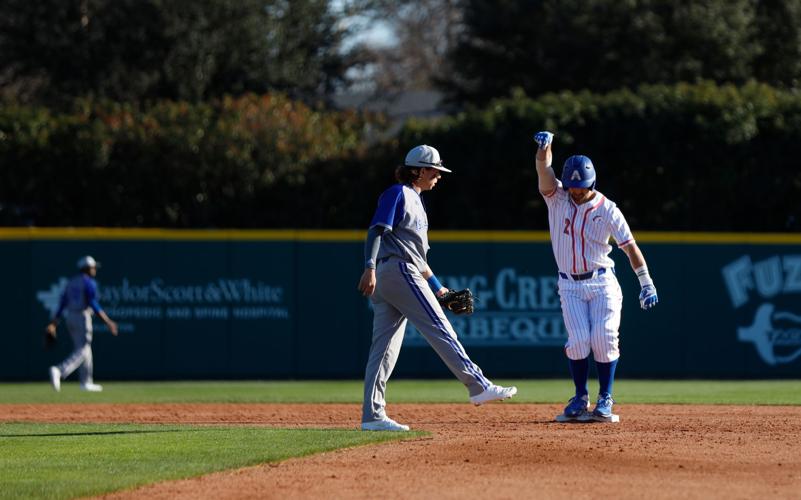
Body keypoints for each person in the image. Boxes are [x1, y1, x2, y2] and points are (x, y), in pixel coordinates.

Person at [357, 144, 517, 431]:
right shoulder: (398, 193)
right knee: (439, 328)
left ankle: (372, 416)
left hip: (398, 271)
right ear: (417, 171)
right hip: (395, 270)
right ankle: (478, 385)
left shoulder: (417, 201)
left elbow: (420, 259)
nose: (438, 175)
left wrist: (439, 289)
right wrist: (369, 267)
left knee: (383, 350)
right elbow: (376, 229)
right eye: (434, 170)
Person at [533, 131, 658, 422]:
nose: (576, 191)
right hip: (569, 284)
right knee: (578, 340)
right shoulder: (557, 198)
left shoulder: (609, 209)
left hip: (602, 282)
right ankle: (579, 397)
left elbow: (629, 247)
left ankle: (605, 398)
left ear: (592, 183)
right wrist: (544, 149)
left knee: (603, 338)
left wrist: (646, 281)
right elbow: (544, 169)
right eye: (573, 186)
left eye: (582, 186)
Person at [46, 255, 118, 392]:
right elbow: (93, 304)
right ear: (86, 268)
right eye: (93, 267)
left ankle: (86, 382)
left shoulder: (71, 282)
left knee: (85, 348)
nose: (95, 269)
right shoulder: (89, 282)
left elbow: (62, 304)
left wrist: (54, 322)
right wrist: (108, 321)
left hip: (70, 317)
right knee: (83, 349)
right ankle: (59, 371)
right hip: (82, 316)